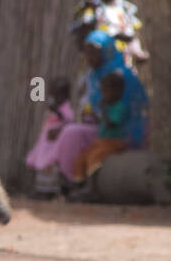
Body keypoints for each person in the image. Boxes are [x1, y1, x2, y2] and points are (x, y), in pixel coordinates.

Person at [62, 31, 149, 199]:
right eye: (87, 52)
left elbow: (126, 115)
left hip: (121, 136)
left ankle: (93, 188)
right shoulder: (93, 75)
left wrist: (103, 114)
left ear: (106, 51)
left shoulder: (122, 77)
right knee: (82, 152)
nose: (89, 57)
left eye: (94, 52)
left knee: (94, 155)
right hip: (101, 134)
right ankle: (74, 183)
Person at [24, 76, 74, 198]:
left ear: (66, 95)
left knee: (51, 168)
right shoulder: (55, 109)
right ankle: (41, 190)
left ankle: (50, 192)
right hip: (46, 145)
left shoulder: (65, 109)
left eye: (59, 95)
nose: (55, 98)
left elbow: (68, 121)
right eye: (54, 95)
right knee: (42, 167)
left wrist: (57, 112)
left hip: (55, 146)